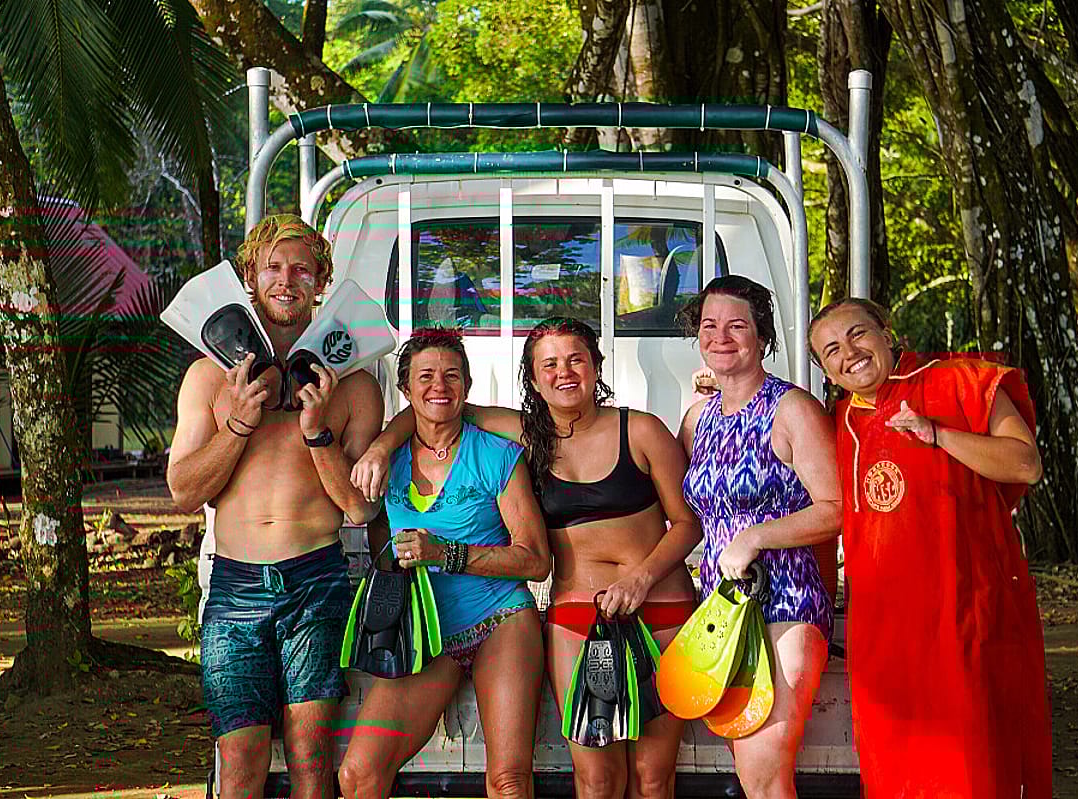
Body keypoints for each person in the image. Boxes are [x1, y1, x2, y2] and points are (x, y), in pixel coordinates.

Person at [351, 317, 702, 799]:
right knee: (597, 780)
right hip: (579, 611)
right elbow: (433, 408)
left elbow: (688, 524)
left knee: (653, 777)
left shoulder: (640, 429)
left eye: (576, 359)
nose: (565, 373)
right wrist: (380, 445)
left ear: (596, 364)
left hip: (661, 604)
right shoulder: (530, 436)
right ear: (533, 379)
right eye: (550, 364)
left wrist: (640, 579)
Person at [166, 214, 384, 799]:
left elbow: (359, 510)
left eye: (301, 269)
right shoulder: (206, 378)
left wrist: (317, 432)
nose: (286, 280)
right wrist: (238, 421)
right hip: (234, 587)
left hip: (316, 578)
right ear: (250, 276)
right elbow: (184, 492)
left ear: (320, 281)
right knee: (240, 760)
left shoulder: (355, 387)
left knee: (313, 756)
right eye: (273, 267)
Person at [808, 297, 1052, 798]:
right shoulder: (836, 423)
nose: (849, 353)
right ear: (826, 371)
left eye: (857, 334)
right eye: (831, 350)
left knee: (975, 763)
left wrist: (937, 434)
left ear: (886, 331)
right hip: (884, 635)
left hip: (964, 613)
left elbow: (1026, 464)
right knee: (897, 771)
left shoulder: (960, 381)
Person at [338, 326, 551, 799]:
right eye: (426, 376)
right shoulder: (386, 459)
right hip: (427, 632)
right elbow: (376, 538)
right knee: (358, 775)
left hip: (500, 619)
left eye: (452, 375)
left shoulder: (496, 455)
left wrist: (445, 553)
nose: (440, 386)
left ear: (468, 387)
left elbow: (536, 560)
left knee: (509, 781)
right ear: (406, 388)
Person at [676, 275, 841, 799]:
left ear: (762, 336)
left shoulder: (791, 408)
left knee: (764, 773)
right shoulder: (698, 418)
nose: (721, 336)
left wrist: (755, 538)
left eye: (737, 325)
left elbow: (835, 509)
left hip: (785, 604)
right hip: (721, 611)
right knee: (752, 772)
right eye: (709, 326)